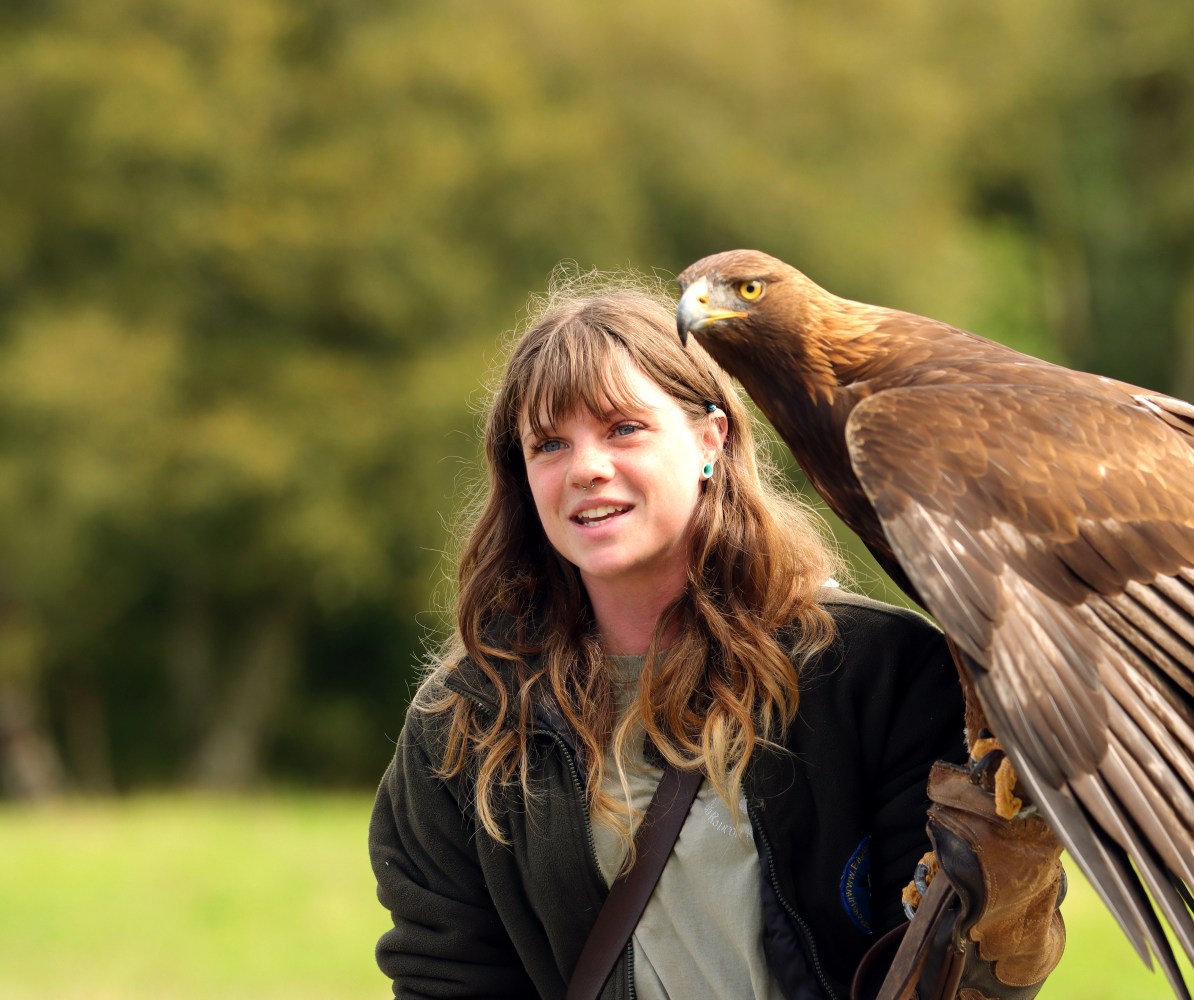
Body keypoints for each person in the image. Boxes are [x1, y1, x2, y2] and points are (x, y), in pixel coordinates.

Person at [369, 273, 1067, 1000]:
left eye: (623, 428)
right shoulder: (467, 721)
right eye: (548, 444)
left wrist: (992, 917)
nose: (586, 468)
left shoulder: (873, 672)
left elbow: (961, 972)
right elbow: (445, 975)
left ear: (711, 438)